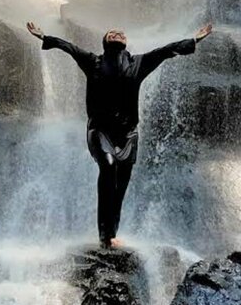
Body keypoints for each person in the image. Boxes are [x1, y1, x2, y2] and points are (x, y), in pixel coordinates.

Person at [26, 21, 213, 248]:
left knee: (120, 187)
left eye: (121, 33)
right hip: (99, 130)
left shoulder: (138, 64)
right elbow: (69, 47)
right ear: (104, 42)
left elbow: (165, 51)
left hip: (128, 136)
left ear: (126, 43)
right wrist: (44, 37)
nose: (117, 33)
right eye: (112, 33)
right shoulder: (92, 61)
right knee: (108, 167)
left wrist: (194, 40)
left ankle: (110, 235)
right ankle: (104, 236)